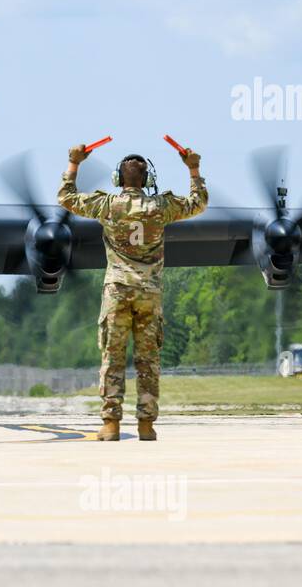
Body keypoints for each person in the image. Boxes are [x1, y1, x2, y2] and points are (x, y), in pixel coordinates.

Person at [58, 146, 206, 441]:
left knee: (113, 358)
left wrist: (74, 163)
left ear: (117, 179)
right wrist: (193, 169)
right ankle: (146, 425)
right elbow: (198, 203)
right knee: (147, 360)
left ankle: (111, 424)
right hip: (149, 293)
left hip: (117, 291)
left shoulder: (107, 206)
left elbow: (66, 198)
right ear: (146, 179)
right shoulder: (160, 207)